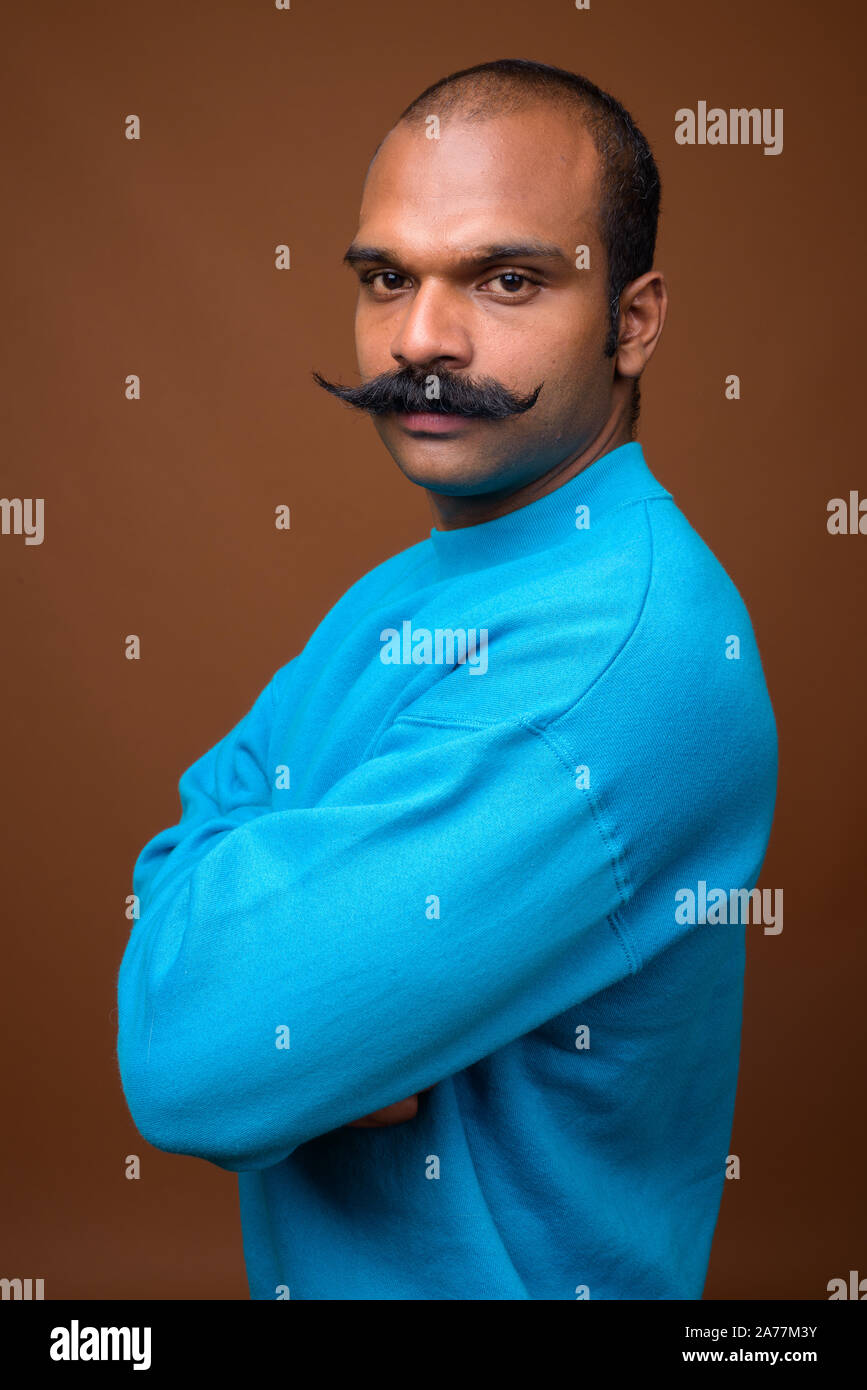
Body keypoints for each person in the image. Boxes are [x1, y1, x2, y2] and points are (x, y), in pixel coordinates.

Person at [117, 58, 778, 1300]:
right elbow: (195, 838)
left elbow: (189, 1052)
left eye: (506, 278)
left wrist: (259, 924)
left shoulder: (613, 658)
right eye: (385, 279)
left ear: (633, 321)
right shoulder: (426, 579)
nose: (420, 338)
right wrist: (289, 987)